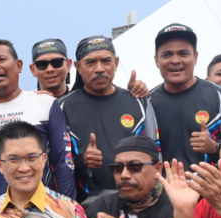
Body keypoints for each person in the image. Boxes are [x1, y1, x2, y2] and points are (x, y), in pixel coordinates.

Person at [0, 39, 75, 202]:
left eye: (1, 59)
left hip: (44, 211)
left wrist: (66, 209)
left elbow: (63, 164)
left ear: (19, 66)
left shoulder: (46, 104)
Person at [59, 36, 158, 202]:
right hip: (87, 205)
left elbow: (156, 154)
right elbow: (56, 164)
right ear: (78, 67)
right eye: (90, 62)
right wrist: (83, 161)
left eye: (106, 61)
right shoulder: (63, 108)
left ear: (116, 63)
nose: (99, 69)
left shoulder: (139, 102)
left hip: (138, 201)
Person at [148, 24, 221, 168]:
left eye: (183, 54)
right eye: (167, 55)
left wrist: (215, 147)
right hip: (163, 187)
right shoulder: (147, 102)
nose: (175, 60)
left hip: (209, 187)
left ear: (195, 57)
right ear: (156, 61)